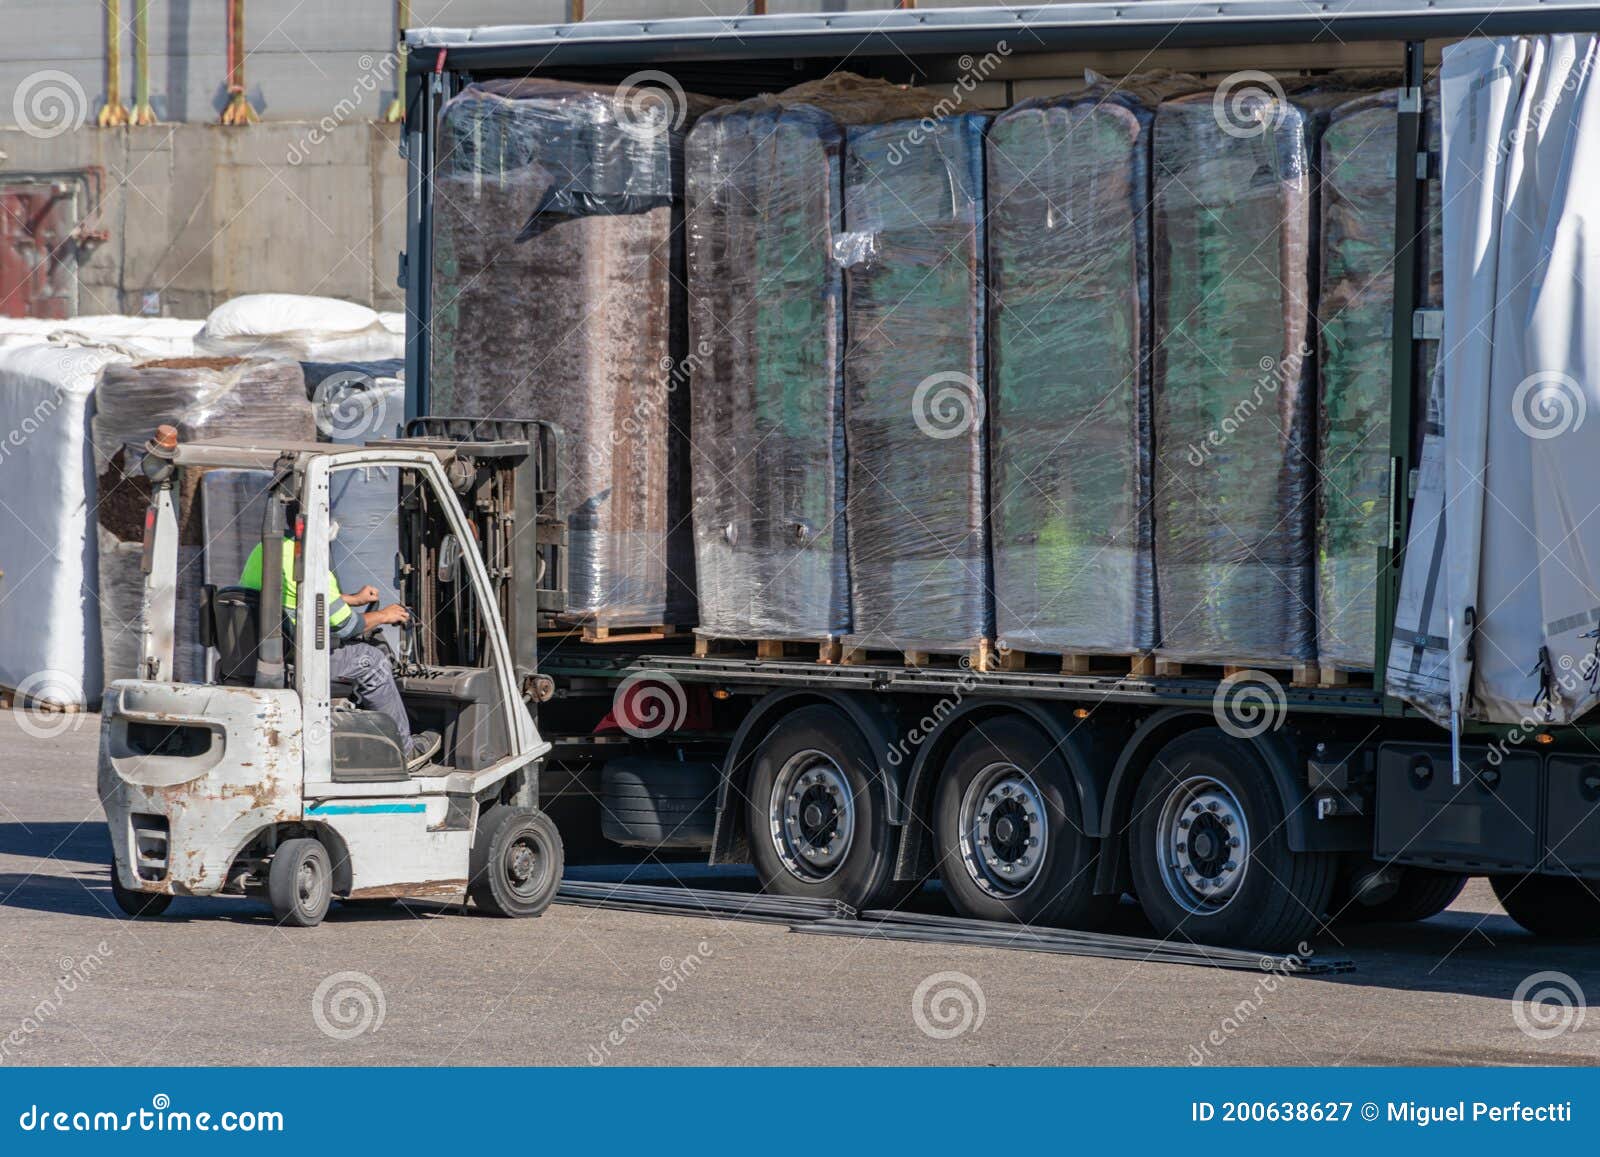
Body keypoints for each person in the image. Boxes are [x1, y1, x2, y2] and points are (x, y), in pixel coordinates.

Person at [238, 525, 441, 771]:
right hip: (295, 661)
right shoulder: (308, 561)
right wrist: (385, 615)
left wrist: (353, 599)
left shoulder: (266, 550)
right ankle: (405, 751)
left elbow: (298, 595)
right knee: (372, 660)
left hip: (263, 656)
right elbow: (347, 625)